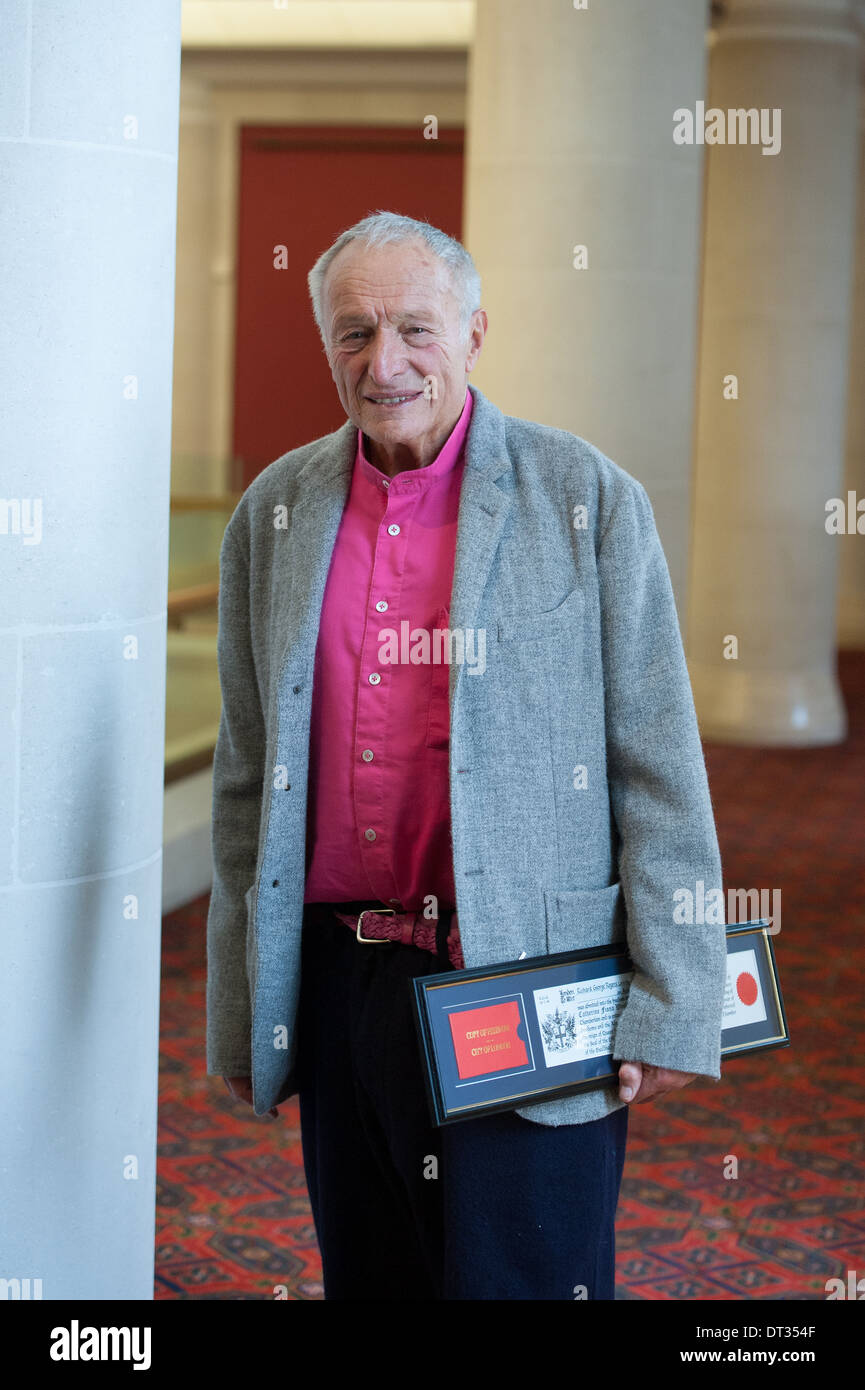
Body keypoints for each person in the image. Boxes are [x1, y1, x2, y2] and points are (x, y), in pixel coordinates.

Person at [206, 211, 727, 1300]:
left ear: (475, 333)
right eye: (353, 334)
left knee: (523, 1283)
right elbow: (249, 780)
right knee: (374, 1275)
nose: (382, 362)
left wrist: (679, 999)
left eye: (414, 329)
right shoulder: (275, 514)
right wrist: (242, 1003)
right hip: (346, 979)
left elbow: (659, 767)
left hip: (525, 975)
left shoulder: (585, 500)